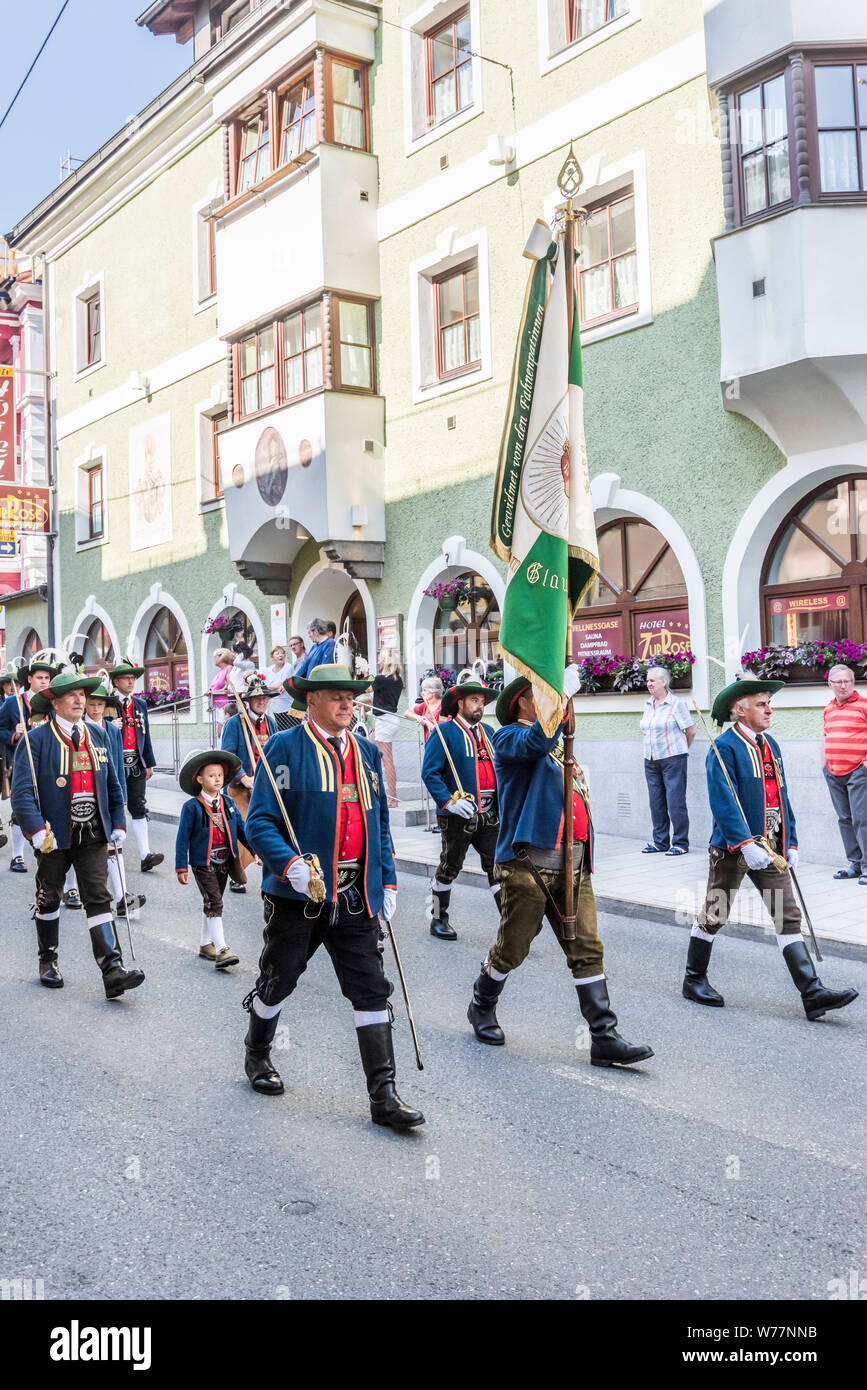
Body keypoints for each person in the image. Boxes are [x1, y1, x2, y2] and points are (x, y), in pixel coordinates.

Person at [241, 663, 423, 1130]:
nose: (347, 704)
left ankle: (383, 1096)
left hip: (357, 893)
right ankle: (257, 1053)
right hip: (298, 895)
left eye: (352, 696)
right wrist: (291, 866)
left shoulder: (365, 753)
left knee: (371, 989)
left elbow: (377, 821)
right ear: (312, 701)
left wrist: (388, 879)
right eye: (337, 696)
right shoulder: (283, 748)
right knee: (279, 979)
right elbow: (258, 822)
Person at [466, 670, 653, 1066]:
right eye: (544, 695)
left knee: (587, 948)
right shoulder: (510, 737)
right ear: (521, 701)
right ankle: (481, 1003)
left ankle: (603, 1035)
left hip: (574, 863)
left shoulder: (555, 743)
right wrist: (561, 700)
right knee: (513, 949)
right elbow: (537, 741)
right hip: (529, 865)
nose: (554, 701)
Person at [682, 675, 859, 1021]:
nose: (769, 710)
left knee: (787, 914)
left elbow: (782, 794)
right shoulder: (725, 748)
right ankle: (693, 979)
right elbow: (723, 803)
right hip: (733, 850)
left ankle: (812, 993)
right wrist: (745, 844)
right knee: (715, 914)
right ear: (740, 710)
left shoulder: (770, 745)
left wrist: (790, 840)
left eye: (768, 703)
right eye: (762, 704)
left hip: (771, 847)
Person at [11, 670, 144, 999]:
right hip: (54, 835)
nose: (79, 700)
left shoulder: (98, 735)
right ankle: (48, 959)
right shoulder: (36, 740)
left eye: (82, 695)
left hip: (94, 833)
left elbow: (112, 781)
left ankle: (113, 970)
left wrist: (118, 821)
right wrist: (37, 830)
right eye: (71, 695)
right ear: (54, 702)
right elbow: (22, 793)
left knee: (98, 897)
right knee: (49, 897)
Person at [421, 672, 500, 941]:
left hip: (490, 814)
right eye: (474, 700)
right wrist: (448, 802)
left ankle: (511, 923)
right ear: (460, 703)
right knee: (449, 868)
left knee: (498, 868)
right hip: (457, 816)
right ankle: (437, 918)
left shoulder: (489, 733)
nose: (480, 705)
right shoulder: (443, 733)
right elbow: (430, 773)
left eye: (482, 700)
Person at [175, 750, 252, 970]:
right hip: (203, 863)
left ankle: (204, 944)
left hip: (225, 862)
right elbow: (182, 839)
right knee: (215, 903)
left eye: (219, 775)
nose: (217, 779)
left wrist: (255, 851)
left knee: (211, 903)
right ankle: (221, 949)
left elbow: (241, 829)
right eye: (211, 775)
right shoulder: (191, 807)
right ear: (199, 779)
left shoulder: (228, 802)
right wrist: (181, 866)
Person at [85, 679, 146, 919]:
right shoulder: (80, 728)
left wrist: (120, 796)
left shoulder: (112, 729)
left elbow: (118, 765)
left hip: (110, 794)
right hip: (89, 795)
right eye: (92, 704)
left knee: (114, 844)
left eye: (100, 704)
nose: (96, 708)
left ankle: (122, 897)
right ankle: (69, 890)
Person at [220, 672, 277, 893]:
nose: (262, 701)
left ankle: (271, 873)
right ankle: (237, 876)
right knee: (240, 831)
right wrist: (243, 777)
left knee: (268, 830)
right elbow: (227, 756)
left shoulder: (271, 723)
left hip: (264, 788)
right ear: (248, 701)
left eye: (265, 698)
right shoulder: (234, 724)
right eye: (257, 698)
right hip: (239, 787)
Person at [0, 659, 56, 871]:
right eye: (40, 678)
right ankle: (17, 856)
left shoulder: (52, 702)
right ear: (29, 679)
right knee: (20, 808)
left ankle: (46, 847)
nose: (44, 682)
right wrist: (14, 733)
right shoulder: (14, 703)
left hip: (48, 763)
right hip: (20, 763)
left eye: (47, 678)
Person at [109, 657, 163, 873]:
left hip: (136, 761)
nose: (131, 682)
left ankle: (145, 855)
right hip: (114, 763)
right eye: (126, 679)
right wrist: (108, 725)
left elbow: (145, 734)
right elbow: (93, 727)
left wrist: (148, 762)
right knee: (117, 805)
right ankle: (114, 852)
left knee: (139, 806)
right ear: (116, 682)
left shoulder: (139, 704)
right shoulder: (106, 703)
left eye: (132, 678)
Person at [640, 665, 695, 856]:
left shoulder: (676, 704)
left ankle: (680, 843)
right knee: (656, 802)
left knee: (675, 802)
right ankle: (660, 842)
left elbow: (690, 730)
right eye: (647, 681)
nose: (649, 684)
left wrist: (682, 751)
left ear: (664, 682)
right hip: (651, 759)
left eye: (652, 680)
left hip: (673, 758)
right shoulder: (648, 704)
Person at [821, 664, 867, 884]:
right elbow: (827, 735)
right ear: (830, 684)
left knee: (862, 819)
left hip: (859, 770)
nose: (843, 685)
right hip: (833, 771)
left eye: (847, 681)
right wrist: (825, 765)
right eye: (838, 682)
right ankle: (855, 864)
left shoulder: (864, 705)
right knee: (845, 819)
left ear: (853, 682)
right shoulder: (828, 709)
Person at [371, 647, 404, 808]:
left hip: (384, 720)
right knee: (370, 746)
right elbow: (381, 699)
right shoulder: (397, 680)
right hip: (389, 719)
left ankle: (393, 798)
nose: (378, 661)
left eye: (381, 659)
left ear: (386, 662)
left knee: (387, 760)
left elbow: (365, 690)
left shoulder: (381, 679)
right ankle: (379, 791)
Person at [264, 646, 295, 731]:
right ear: (272, 657)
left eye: (282, 653)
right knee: (281, 732)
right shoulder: (268, 670)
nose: (280, 655)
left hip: (289, 706)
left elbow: (283, 683)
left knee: (292, 731)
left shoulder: (288, 667)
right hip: (275, 707)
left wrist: (268, 687)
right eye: (277, 653)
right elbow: (262, 684)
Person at [408, 675, 443, 741]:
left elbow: (441, 731)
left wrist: (426, 722)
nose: (422, 693)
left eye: (424, 690)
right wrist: (419, 718)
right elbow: (407, 713)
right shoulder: (425, 705)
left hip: (440, 745)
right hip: (429, 743)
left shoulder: (443, 707)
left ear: (433, 692)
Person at [208, 648, 236, 729]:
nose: (214, 659)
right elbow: (214, 687)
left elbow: (228, 688)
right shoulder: (219, 671)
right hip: (216, 705)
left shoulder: (229, 668)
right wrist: (210, 692)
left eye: (215, 657)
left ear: (221, 657)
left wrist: (213, 692)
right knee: (219, 732)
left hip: (224, 705)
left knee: (222, 731)